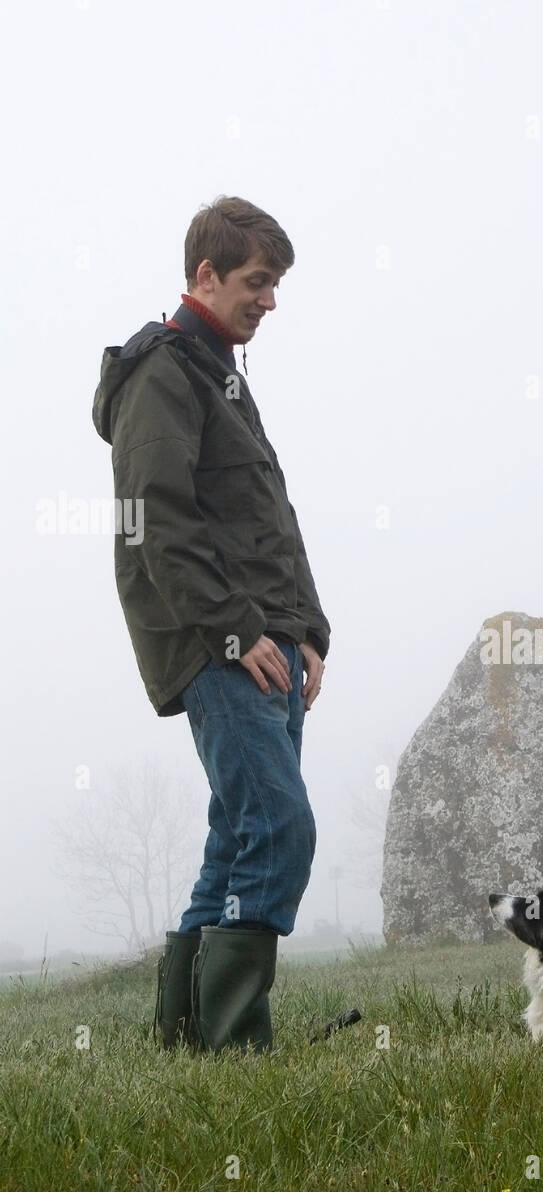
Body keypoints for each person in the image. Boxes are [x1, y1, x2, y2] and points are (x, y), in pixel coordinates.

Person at [91, 195, 331, 1053]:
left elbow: (268, 515)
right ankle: (234, 1044)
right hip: (218, 645)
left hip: (266, 643)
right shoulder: (163, 372)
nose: (269, 301)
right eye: (256, 282)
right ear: (205, 274)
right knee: (279, 825)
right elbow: (156, 518)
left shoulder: (220, 371)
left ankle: (188, 1036)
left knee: (238, 832)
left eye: (274, 285)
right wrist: (237, 631)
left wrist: (308, 630)